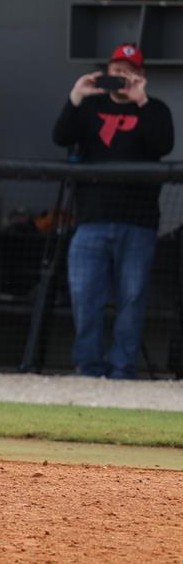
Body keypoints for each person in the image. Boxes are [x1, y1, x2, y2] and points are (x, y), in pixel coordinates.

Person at [51, 43, 175, 379]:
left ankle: (122, 370)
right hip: (91, 219)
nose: (120, 76)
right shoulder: (89, 107)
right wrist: (77, 95)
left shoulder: (156, 109)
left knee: (132, 300)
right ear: (106, 72)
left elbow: (163, 144)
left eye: (128, 70)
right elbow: (60, 136)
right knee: (84, 297)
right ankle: (90, 368)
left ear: (141, 75)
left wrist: (142, 102)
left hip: (138, 222)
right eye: (115, 70)